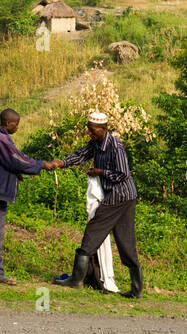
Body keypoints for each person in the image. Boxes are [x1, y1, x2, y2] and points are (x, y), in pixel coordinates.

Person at [50, 111, 143, 299]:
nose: (90, 133)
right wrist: (60, 163)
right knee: (125, 241)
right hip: (122, 197)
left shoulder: (115, 145)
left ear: (103, 128)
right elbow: (80, 155)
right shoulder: (95, 143)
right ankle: (136, 289)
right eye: (88, 129)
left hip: (120, 196)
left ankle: (76, 280)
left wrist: (101, 172)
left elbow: (123, 173)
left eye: (92, 130)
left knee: (94, 230)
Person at [0, 108, 55, 287]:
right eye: (16, 124)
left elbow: (13, 161)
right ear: (7, 123)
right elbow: (17, 160)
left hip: (0, 194)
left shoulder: (4, 139)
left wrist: (18, 173)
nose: (18, 127)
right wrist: (42, 164)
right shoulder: (0, 140)